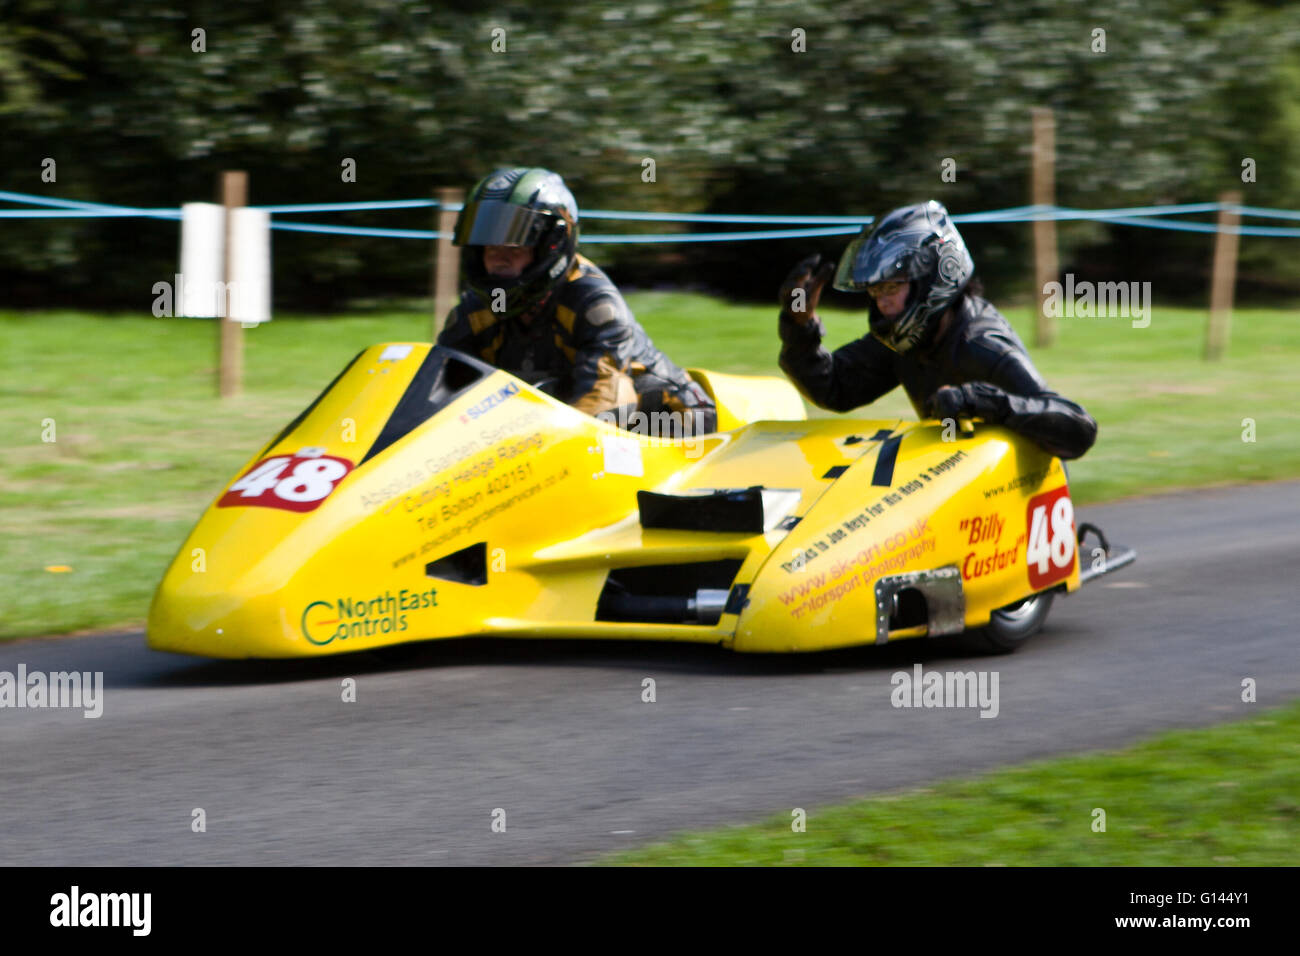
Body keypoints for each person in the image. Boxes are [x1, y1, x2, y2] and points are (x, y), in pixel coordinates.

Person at [777, 200, 1097, 460]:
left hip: (1019, 512)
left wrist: (982, 401)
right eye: (875, 292)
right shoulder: (906, 342)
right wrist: (800, 328)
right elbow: (834, 388)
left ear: (933, 278)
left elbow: (1079, 430)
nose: (883, 303)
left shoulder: (982, 344)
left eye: (891, 287)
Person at [438, 166, 716, 436]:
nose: (499, 255)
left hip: (671, 422)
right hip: (566, 421)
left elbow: (604, 400)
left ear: (552, 243)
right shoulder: (474, 311)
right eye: (489, 244)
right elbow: (436, 387)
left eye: (515, 243)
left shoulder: (594, 304)